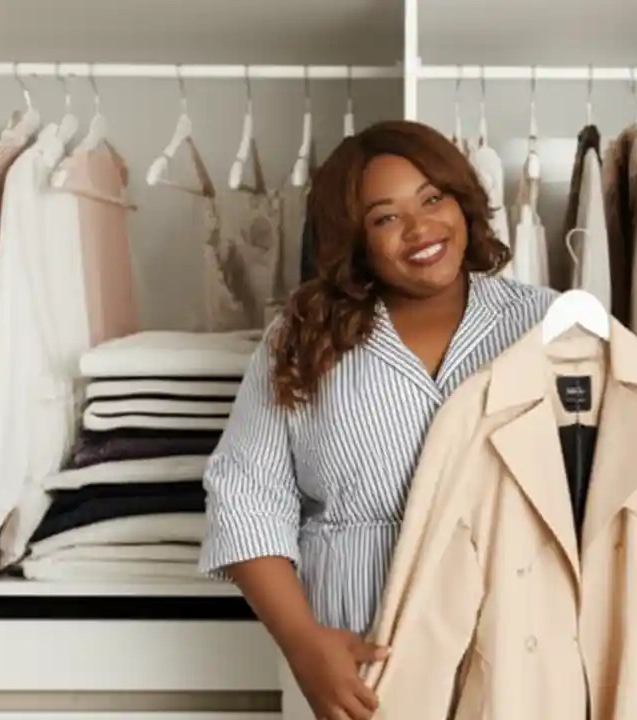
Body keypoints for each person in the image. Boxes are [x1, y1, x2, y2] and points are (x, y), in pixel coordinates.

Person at [199, 120, 555, 720]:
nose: (420, 228)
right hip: (359, 657)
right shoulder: (300, 340)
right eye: (385, 217)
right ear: (354, 239)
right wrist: (304, 646)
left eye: (433, 199)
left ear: (462, 201)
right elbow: (246, 499)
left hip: (518, 643)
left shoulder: (546, 326)